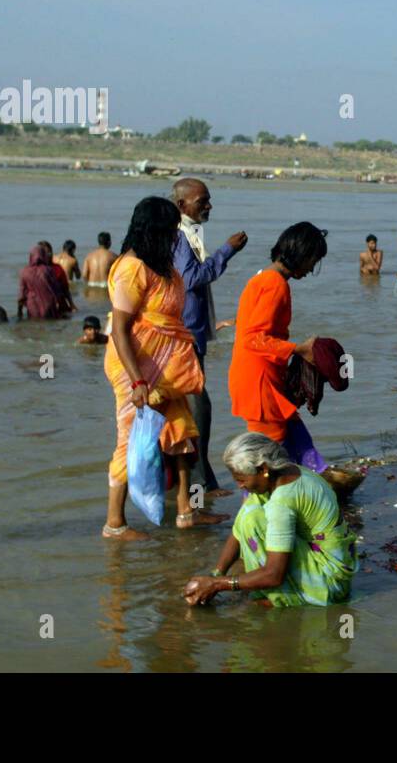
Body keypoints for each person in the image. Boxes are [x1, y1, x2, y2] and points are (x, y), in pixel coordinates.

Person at [102, 196, 227, 540]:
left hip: (167, 366)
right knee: (130, 440)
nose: (176, 236)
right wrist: (138, 380)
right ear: (153, 230)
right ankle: (114, 524)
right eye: (171, 229)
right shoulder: (132, 268)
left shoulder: (161, 265)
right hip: (136, 367)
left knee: (182, 431)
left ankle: (186, 511)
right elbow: (121, 330)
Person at [183, 432, 356, 608]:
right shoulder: (289, 471)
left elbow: (274, 575)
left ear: (264, 469)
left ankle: (278, 598)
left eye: (242, 480)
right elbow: (238, 528)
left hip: (329, 583)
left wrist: (218, 585)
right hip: (339, 560)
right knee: (248, 513)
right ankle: (268, 587)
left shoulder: (282, 502)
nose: (240, 486)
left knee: (253, 520)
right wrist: (216, 574)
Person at [228, 222, 330, 474]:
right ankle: (256, 505)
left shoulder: (262, 278)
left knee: (294, 432)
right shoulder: (275, 285)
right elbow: (253, 338)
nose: (311, 269)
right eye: (313, 261)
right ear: (302, 254)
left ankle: (318, 476)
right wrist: (298, 349)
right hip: (259, 380)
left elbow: (248, 328)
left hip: (261, 375)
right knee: (267, 456)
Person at [172, 177, 248, 500]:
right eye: (202, 201)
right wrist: (227, 251)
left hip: (194, 332)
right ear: (182, 205)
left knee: (196, 408)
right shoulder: (179, 237)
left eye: (208, 200)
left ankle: (201, 483)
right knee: (198, 408)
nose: (208, 206)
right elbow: (191, 278)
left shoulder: (190, 234)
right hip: (185, 334)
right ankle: (200, 485)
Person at [17, 245, 72, 320]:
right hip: (48, 305)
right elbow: (56, 289)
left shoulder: (24, 271)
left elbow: (22, 294)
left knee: (34, 326)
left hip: (32, 306)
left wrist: (19, 311)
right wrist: (61, 304)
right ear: (43, 256)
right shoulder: (48, 270)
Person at [37, 241, 77, 314]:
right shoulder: (32, 271)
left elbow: (65, 289)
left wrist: (72, 304)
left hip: (59, 305)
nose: (49, 255)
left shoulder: (58, 268)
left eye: (50, 252)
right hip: (41, 307)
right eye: (46, 253)